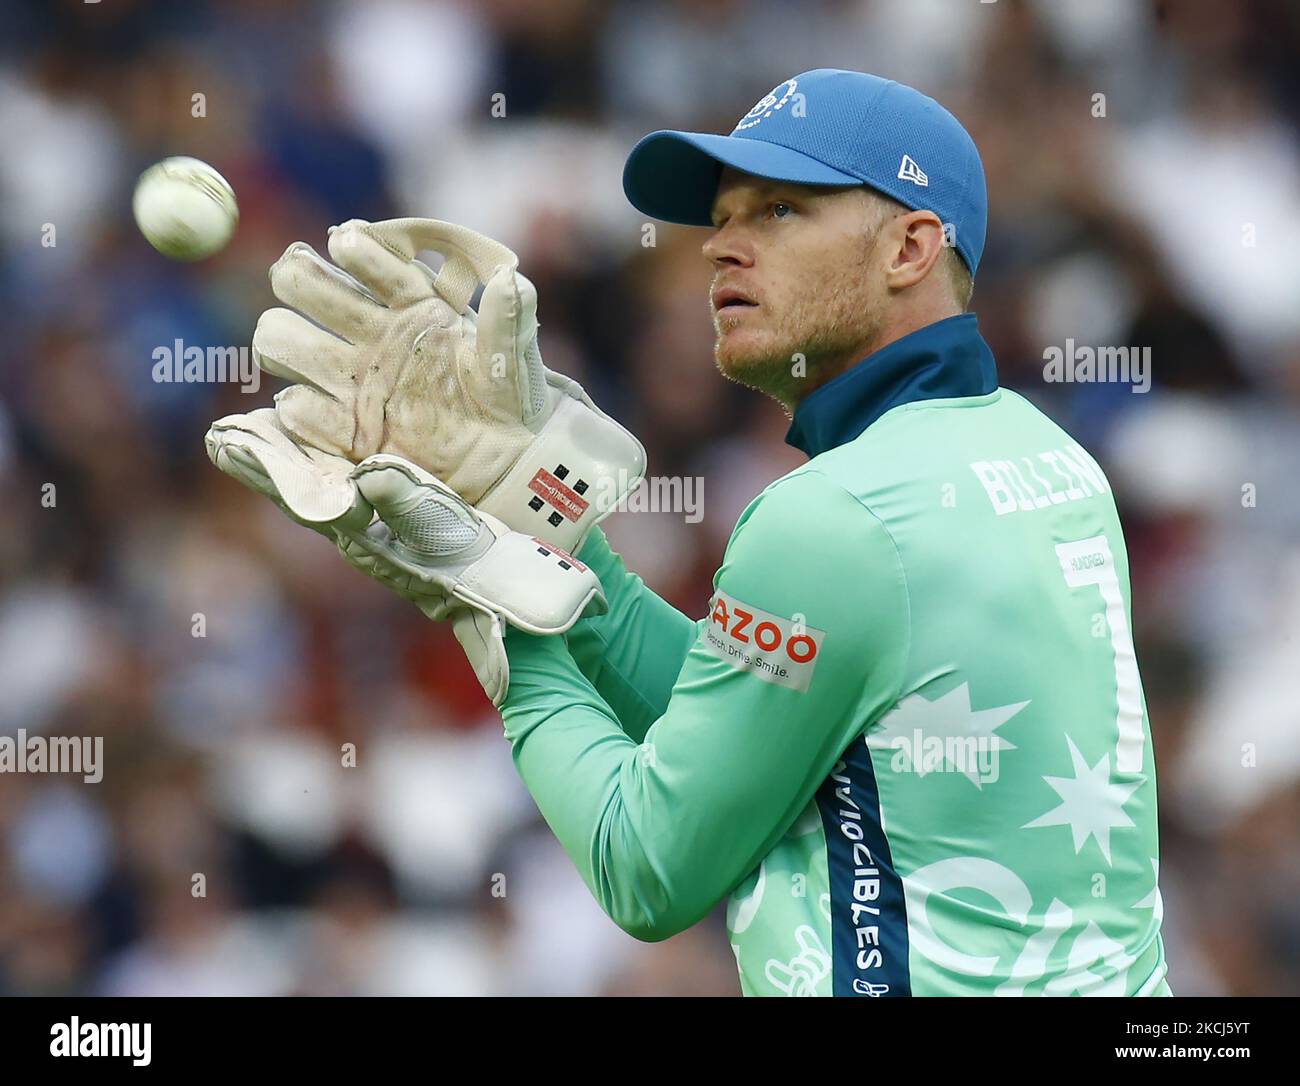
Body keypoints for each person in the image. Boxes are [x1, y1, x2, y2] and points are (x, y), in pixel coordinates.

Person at [208, 69, 1168, 997]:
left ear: (910, 249)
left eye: (780, 212)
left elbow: (646, 867)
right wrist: (549, 542)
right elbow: (740, 729)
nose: (720, 246)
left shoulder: (833, 519)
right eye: (723, 217)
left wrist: (487, 606)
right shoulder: (1052, 460)